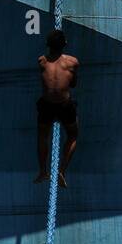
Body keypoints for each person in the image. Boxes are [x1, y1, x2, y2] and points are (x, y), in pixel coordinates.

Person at [34, 29, 79, 188]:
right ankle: (61, 170)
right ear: (64, 44)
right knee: (73, 135)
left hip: (47, 104)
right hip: (64, 105)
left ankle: (42, 171)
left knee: (42, 135)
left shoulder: (41, 61)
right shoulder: (73, 62)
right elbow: (73, 83)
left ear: (48, 45)